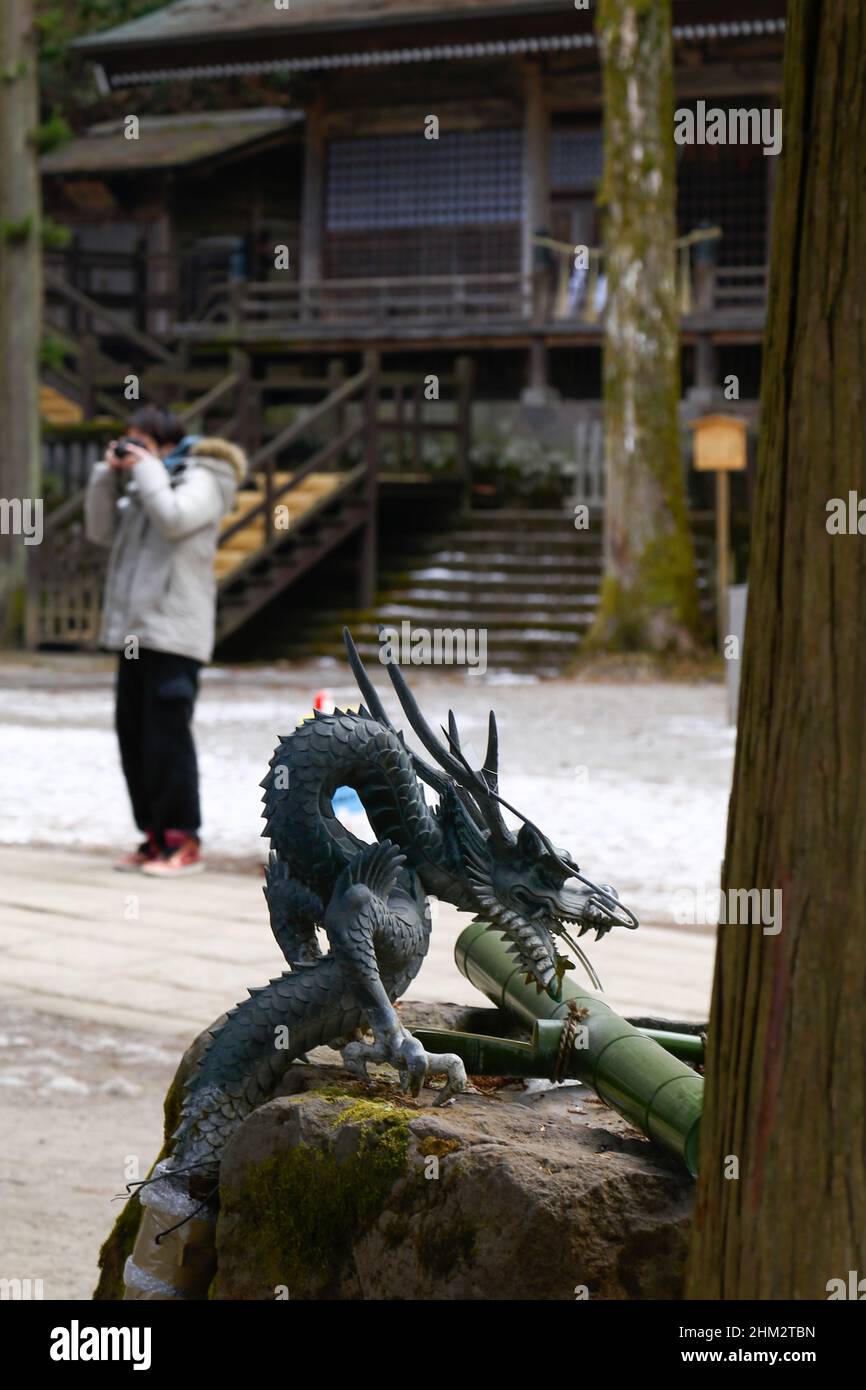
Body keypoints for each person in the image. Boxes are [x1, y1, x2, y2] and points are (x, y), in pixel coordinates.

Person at [84, 406, 247, 876]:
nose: (131, 449)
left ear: (165, 442)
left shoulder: (207, 477)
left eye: (140, 441)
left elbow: (176, 519)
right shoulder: (146, 483)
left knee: (167, 739)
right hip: (134, 633)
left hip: (175, 633)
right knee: (134, 736)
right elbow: (100, 532)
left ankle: (183, 841)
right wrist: (104, 475)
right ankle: (154, 838)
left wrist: (147, 469)